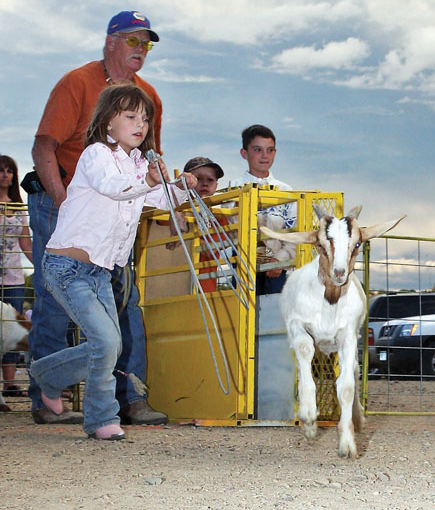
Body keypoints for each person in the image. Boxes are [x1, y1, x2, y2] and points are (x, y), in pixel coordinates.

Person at [29, 84, 196, 440]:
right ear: (108, 123)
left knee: (110, 345)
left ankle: (47, 376)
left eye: (145, 119)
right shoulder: (95, 155)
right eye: (131, 116)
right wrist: (147, 178)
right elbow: (114, 186)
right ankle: (102, 418)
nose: (141, 124)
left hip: (99, 273)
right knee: (105, 342)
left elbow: (158, 198)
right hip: (66, 267)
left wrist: (183, 187)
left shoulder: (139, 165)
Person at [27, 10, 167, 425]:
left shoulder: (149, 96)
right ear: (110, 41)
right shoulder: (77, 83)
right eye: (132, 40)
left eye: (146, 43)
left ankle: (129, 396)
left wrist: (175, 190)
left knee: (125, 305)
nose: (140, 49)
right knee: (56, 303)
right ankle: (46, 397)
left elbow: (148, 165)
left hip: (116, 212)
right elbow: (43, 147)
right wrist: (64, 200)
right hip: (64, 197)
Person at [229, 125, 297, 295]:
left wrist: (278, 261)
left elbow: (293, 231)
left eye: (270, 150)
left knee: (273, 318)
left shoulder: (286, 191)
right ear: (244, 153)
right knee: (243, 317)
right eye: (257, 149)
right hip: (244, 267)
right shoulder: (234, 188)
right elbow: (231, 228)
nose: (265, 155)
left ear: (275, 152)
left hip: (276, 271)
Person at [167, 156, 226, 292]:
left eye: (210, 180)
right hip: (170, 290)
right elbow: (158, 225)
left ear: (216, 185)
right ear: (185, 181)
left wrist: (188, 229)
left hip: (204, 291)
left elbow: (211, 249)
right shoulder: (171, 206)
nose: (205, 184)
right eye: (198, 179)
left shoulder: (221, 216)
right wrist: (175, 214)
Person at [0, 155, 33, 396]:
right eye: (1, 170)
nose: (5, 175)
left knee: (12, 329)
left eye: (9, 171)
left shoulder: (19, 206)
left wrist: (41, 267)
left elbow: (25, 242)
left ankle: (9, 383)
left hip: (13, 277)